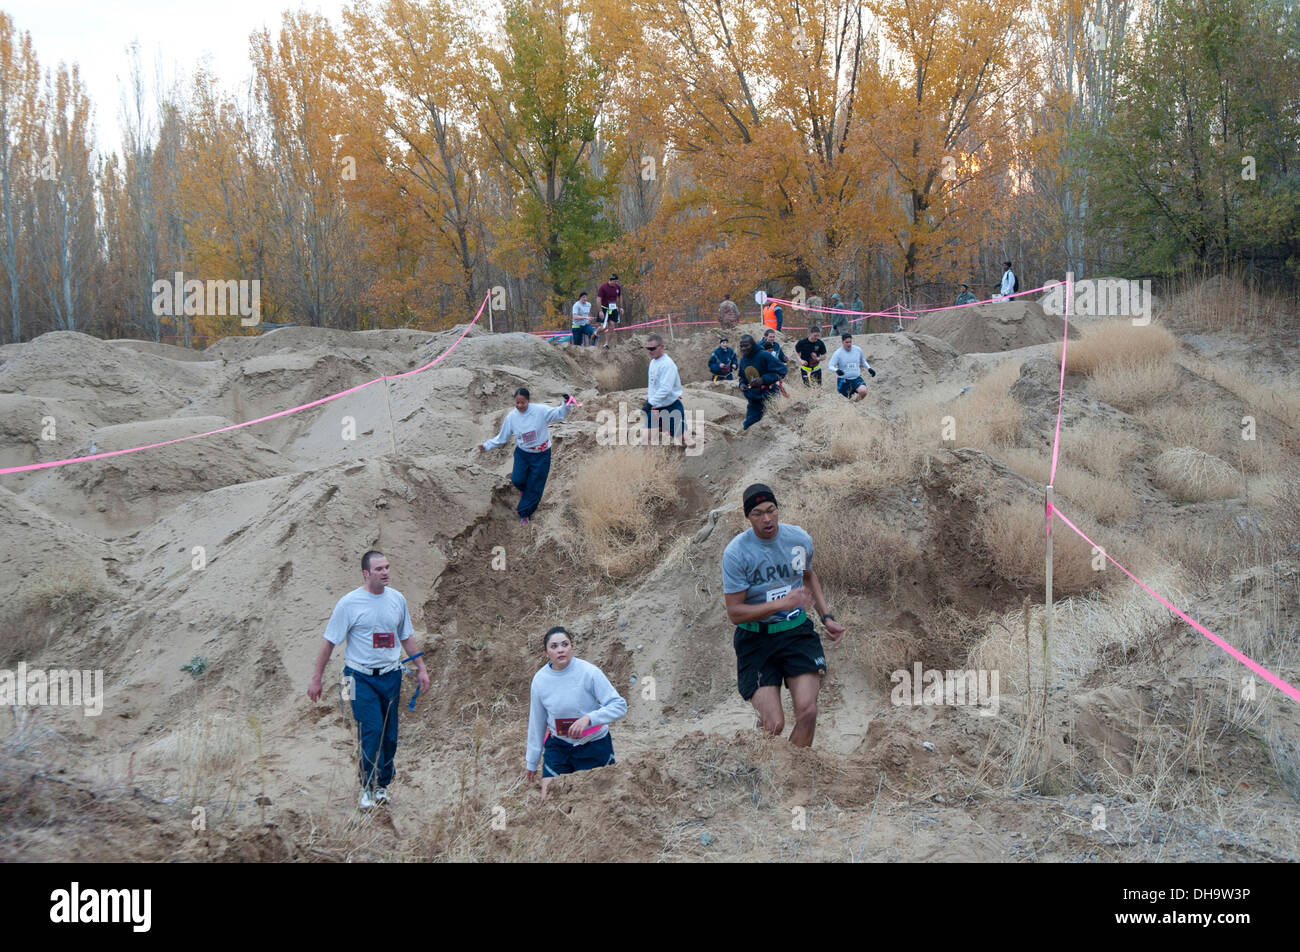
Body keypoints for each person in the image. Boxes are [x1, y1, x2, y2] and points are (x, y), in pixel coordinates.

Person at [721, 484, 846, 748]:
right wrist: (780, 604)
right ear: (747, 517)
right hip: (756, 639)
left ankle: (795, 776)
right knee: (773, 725)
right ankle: (761, 765)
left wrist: (827, 617)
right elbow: (735, 613)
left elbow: (809, 576)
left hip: (796, 633)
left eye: (771, 510)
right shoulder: (736, 553)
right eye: (757, 513)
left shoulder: (798, 539)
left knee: (808, 712)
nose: (767, 519)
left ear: (777, 510)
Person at [308, 550, 431, 810]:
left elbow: (406, 637)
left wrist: (421, 667)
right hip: (357, 677)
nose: (385, 572)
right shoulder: (349, 603)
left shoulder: (397, 599)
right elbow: (329, 642)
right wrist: (316, 679)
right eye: (379, 569)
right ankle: (366, 786)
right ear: (366, 573)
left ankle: (382, 786)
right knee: (371, 729)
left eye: (387, 567)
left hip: (391, 675)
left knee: (390, 734)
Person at [525, 626, 627, 800]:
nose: (560, 650)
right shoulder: (540, 680)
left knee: (595, 803)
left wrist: (589, 718)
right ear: (546, 652)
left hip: (594, 744)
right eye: (554, 646)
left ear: (571, 647)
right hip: (559, 745)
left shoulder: (589, 672)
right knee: (549, 800)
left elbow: (619, 705)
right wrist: (532, 761)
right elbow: (537, 722)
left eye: (565, 644)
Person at [479, 387, 575, 525]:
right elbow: (502, 437)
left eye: (522, 403)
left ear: (528, 401)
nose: (519, 406)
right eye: (517, 403)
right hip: (523, 453)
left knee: (535, 485)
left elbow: (558, 414)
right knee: (517, 479)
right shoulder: (511, 417)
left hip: (541, 455)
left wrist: (566, 404)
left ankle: (525, 513)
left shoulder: (540, 411)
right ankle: (526, 493)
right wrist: (487, 446)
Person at [642, 333, 686, 446]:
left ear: (661, 346)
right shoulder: (653, 362)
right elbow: (653, 385)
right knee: (645, 440)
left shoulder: (668, 365)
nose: (650, 351)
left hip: (671, 407)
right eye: (648, 348)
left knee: (683, 440)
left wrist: (650, 403)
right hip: (656, 408)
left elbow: (665, 389)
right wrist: (649, 400)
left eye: (652, 348)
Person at [737, 333, 787, 429]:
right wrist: (742, 384)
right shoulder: (743, 359)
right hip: (754, 398)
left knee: (775, 426)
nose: (743, 348)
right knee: (748, 426)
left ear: (753, 344)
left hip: (771, 395)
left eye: (746, 346)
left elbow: (782, 370)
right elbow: (742, 377)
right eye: (741, 346)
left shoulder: (764, 355)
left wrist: (763, 379)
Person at [827, 333, 875, 400]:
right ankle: (850, 405)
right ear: (842, 342)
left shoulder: (858, 350)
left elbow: (863, 361)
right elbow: (830, 366)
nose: (849, 344)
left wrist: (869, 368)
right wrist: (837, 370)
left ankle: (855, 403)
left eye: (850, 342)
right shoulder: (838, 353)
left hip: (856, 378)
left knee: (863, 391)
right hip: (844, 380)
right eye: (847, 342)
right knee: (846, 399)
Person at [597, 274, 623, 346]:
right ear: (611, 280)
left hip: (613, 308)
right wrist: (600, 311)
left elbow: (620, 296)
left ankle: (606, 344)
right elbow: (598, 299)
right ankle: (596, 332)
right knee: (604, 327)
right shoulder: (603, 287)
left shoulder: (617, 287)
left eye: (617, 281)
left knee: (612, 326)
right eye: (615, 281)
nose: (616, 283)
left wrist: (621, 307)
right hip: (604, 308)